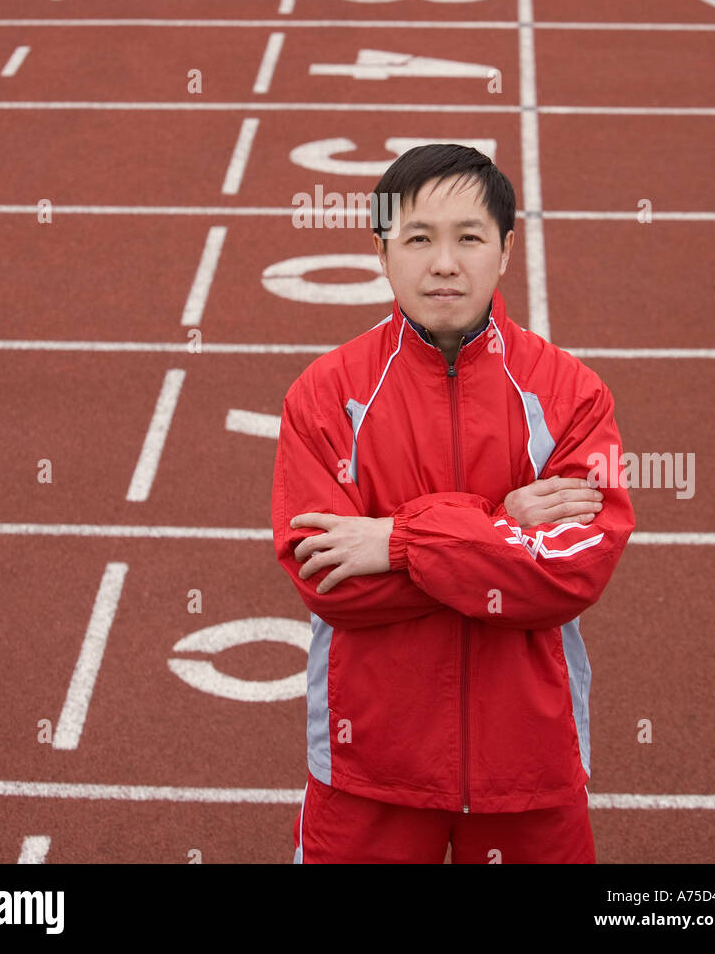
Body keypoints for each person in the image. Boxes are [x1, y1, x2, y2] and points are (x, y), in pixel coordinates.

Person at [271, 144, 635, 864]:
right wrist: (503, 527)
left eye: (469, 237)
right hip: (369, 764)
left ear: (505, 249)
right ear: (381, 252)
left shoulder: (573, 396)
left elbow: (571, 573)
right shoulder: (323, 395)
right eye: (417, 239)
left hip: (528, 768)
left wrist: (396, 542)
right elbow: (326, 580)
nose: (444, 263)